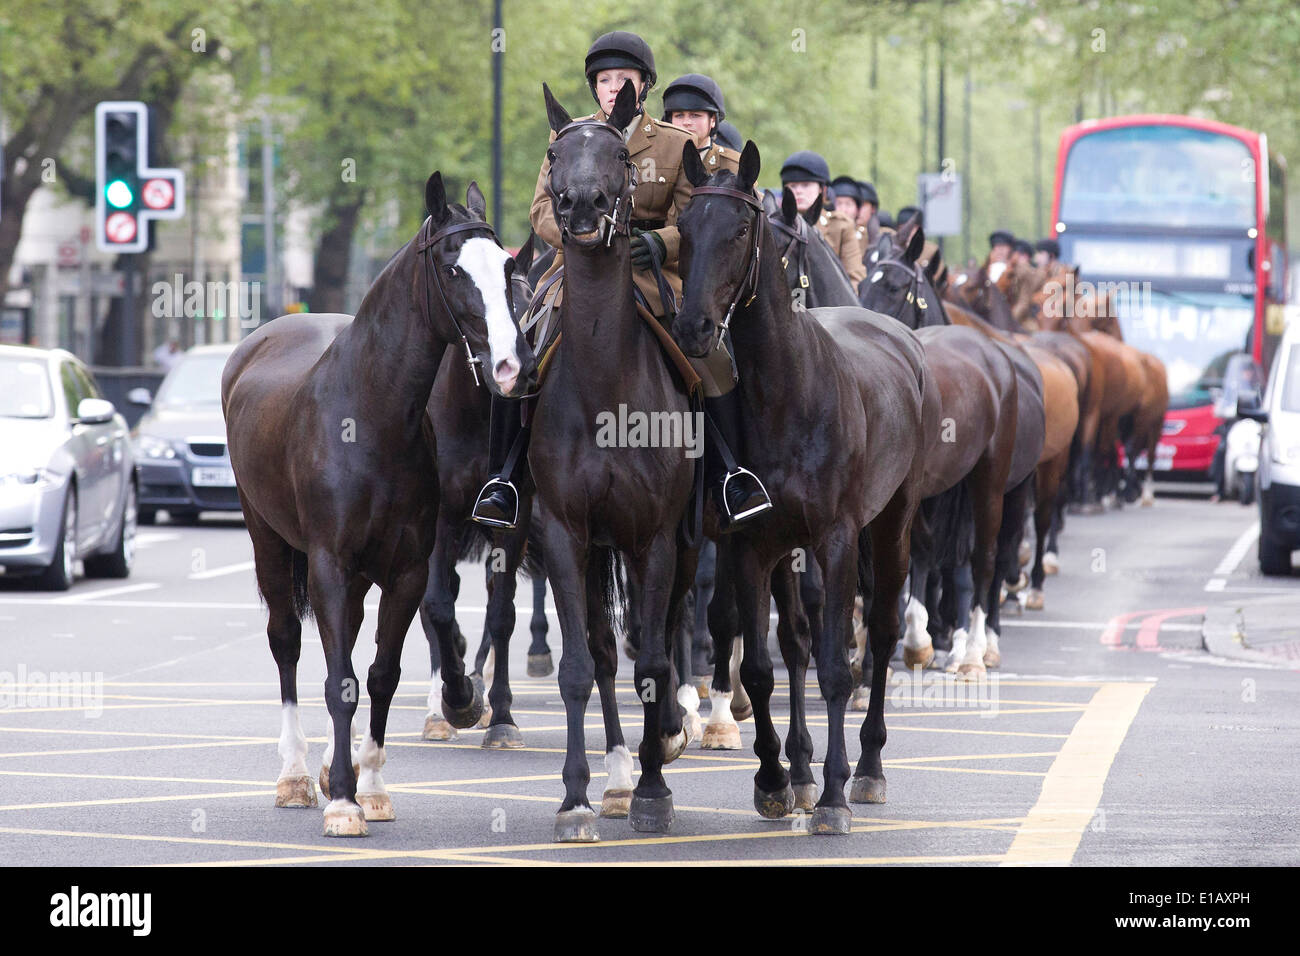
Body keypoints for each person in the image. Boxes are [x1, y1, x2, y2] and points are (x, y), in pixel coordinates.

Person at [472, 31, 770, 530]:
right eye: (604, 80)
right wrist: (576, 235)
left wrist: (662, 243)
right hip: (579, 273)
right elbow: (541, 208)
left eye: (623, 79)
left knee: (713, 357)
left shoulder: (675, 144)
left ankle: (730, 474)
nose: (613, 87)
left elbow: (693, 217)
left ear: (644, 85)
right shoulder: (570, 138)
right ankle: (503, 479)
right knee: (520, 346)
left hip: (650, 278)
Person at [780, 150, 866, 289]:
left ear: (822, 190)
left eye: (806, 185)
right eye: (792, 186)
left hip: (830, 305)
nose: (798, 191)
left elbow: (855, 279)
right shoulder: (774, 224)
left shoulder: (840, 226)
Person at [662, 73, 739, 174]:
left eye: (695, 115)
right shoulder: (656, 161)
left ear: (713, 120)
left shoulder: (733, 166)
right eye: (679, 115)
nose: (686, 122)